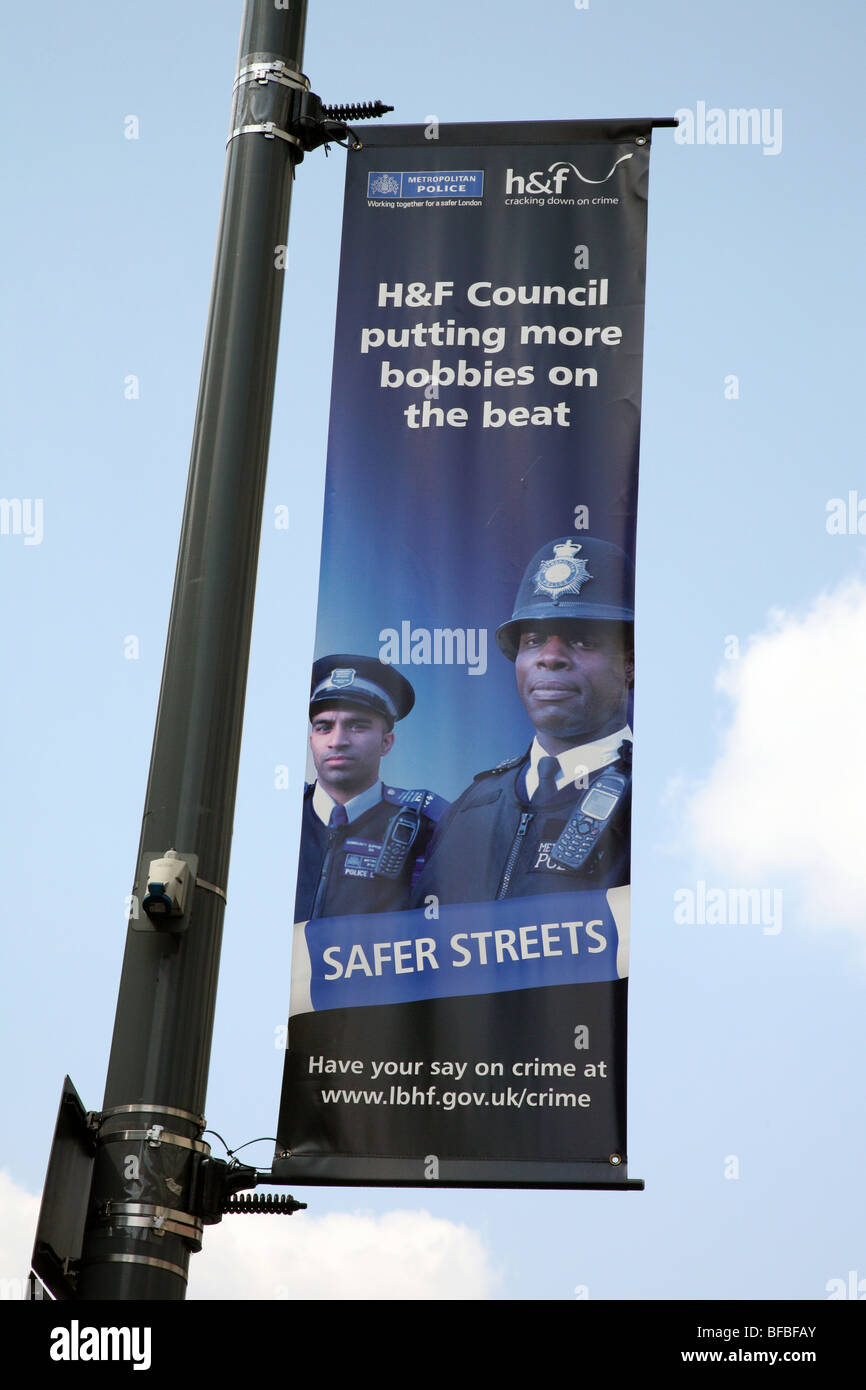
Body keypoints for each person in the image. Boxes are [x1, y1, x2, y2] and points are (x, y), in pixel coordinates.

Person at [413, 536, 634, 904]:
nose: (550, 658)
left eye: (584, 642)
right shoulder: (471, 806)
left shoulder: (656, 806)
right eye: (534, 640)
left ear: (630, 662)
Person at [295, 654, 448, 921]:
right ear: (311, 740)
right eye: (324, 727)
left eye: (357, 726)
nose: (337, 740)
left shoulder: (429, 828)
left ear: (386, 742)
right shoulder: (277, 818)